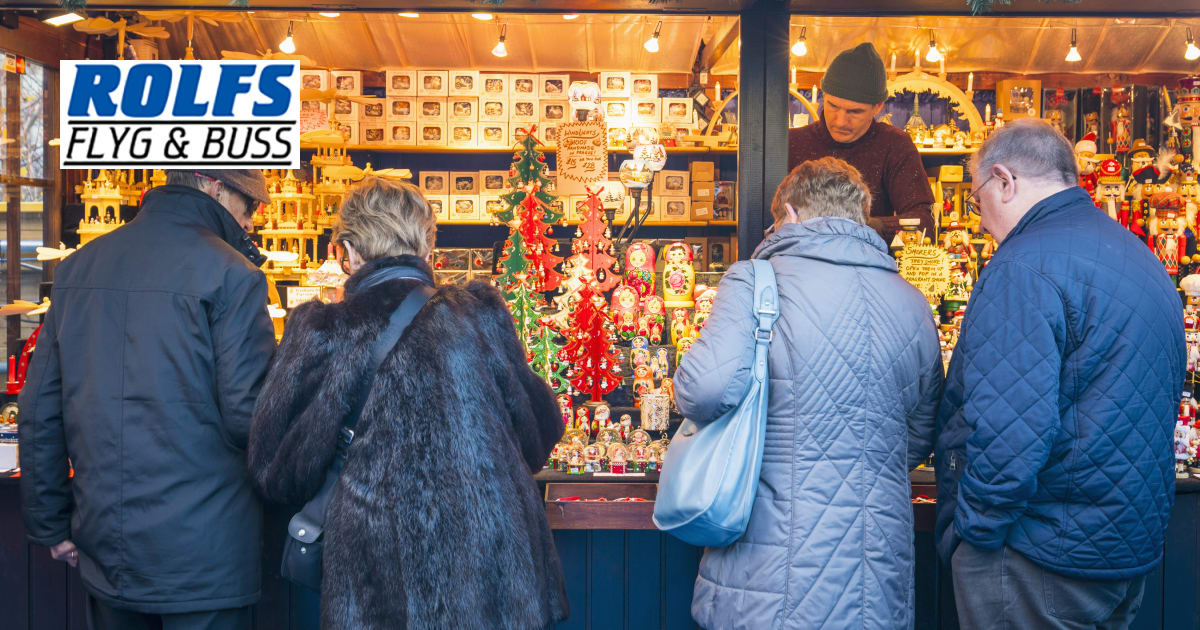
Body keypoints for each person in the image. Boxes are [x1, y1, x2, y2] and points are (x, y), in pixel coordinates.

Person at [247, 177, 567, 629]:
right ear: (426, 248)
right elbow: (540, 434)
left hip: (380, 589)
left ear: (349, 251)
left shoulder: (322, 331)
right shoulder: (478, 315)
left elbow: (277, 471)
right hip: (494, 581)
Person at [935, 118, 1185, 630]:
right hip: (1122, 547)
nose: (979, 219)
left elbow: (1008, 430)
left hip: (1038, 553)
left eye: (978, 198)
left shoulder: (1023, 266)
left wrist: (974, 533)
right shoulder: (1138, 256)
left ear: (1004, 180)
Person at [675, 157, 943, 629]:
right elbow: (920, 435)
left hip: (769, 554)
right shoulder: (911, 300)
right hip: (876, 559)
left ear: (792, 214)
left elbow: (703, 390)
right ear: (859, 215)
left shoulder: (755, 281)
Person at [18, 170, 276, 629]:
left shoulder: (79, 268)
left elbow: (39, 411)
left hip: (106, 545)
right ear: (214, 187)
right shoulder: (235, 275)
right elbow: (247, 417)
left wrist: (50, 524)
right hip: (206, 554)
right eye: (249, 205)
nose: (252, 221)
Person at [789, 42, 935, 242]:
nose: (840, 121)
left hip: (869, 266)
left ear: (878, 107)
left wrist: (868, 226)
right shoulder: (793, 143)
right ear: (823, 95)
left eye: (854, 112)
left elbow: (923, 221)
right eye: (833, 106)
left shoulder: (895, 145)